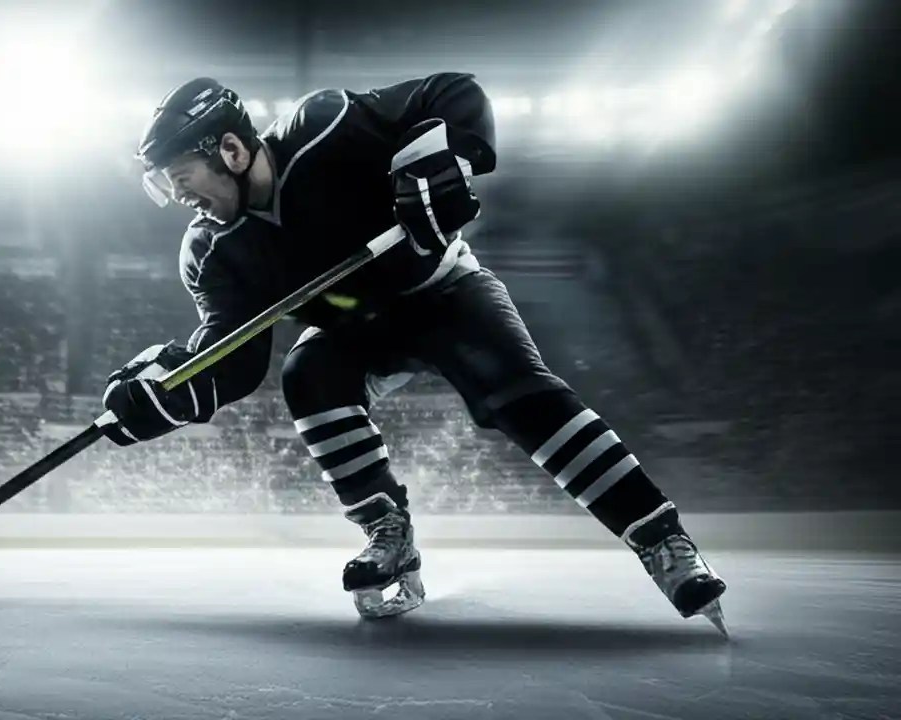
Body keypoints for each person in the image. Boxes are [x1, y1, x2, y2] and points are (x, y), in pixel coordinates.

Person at [100, 73, 727, 632]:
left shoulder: (326, 125)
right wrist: (169, 388)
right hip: (352, 329)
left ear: (230, 152)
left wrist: (439, 159)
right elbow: (233, 356)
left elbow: (451, 93)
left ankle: (661, 538)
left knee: (517, 393)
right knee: (307, 373)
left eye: (181, 178)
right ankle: (388, 535)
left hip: (442, 292)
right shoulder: (210, 251)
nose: (180, 198)